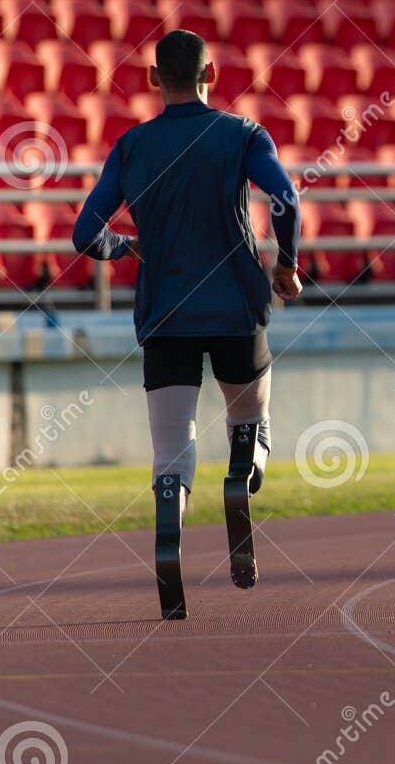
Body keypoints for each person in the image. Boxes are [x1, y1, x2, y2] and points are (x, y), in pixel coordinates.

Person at [72, 30, 301, 595]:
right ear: (213, 74)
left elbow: (84, 236)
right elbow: (286, 199)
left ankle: (169, 534)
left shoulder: (130, 147)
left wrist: (126, 248)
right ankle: (242, 470)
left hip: (165, 314)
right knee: (251, 413)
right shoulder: (243, 134)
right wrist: (286, 265)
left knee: (171, 448)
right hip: (236, 309)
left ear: (154, 80)